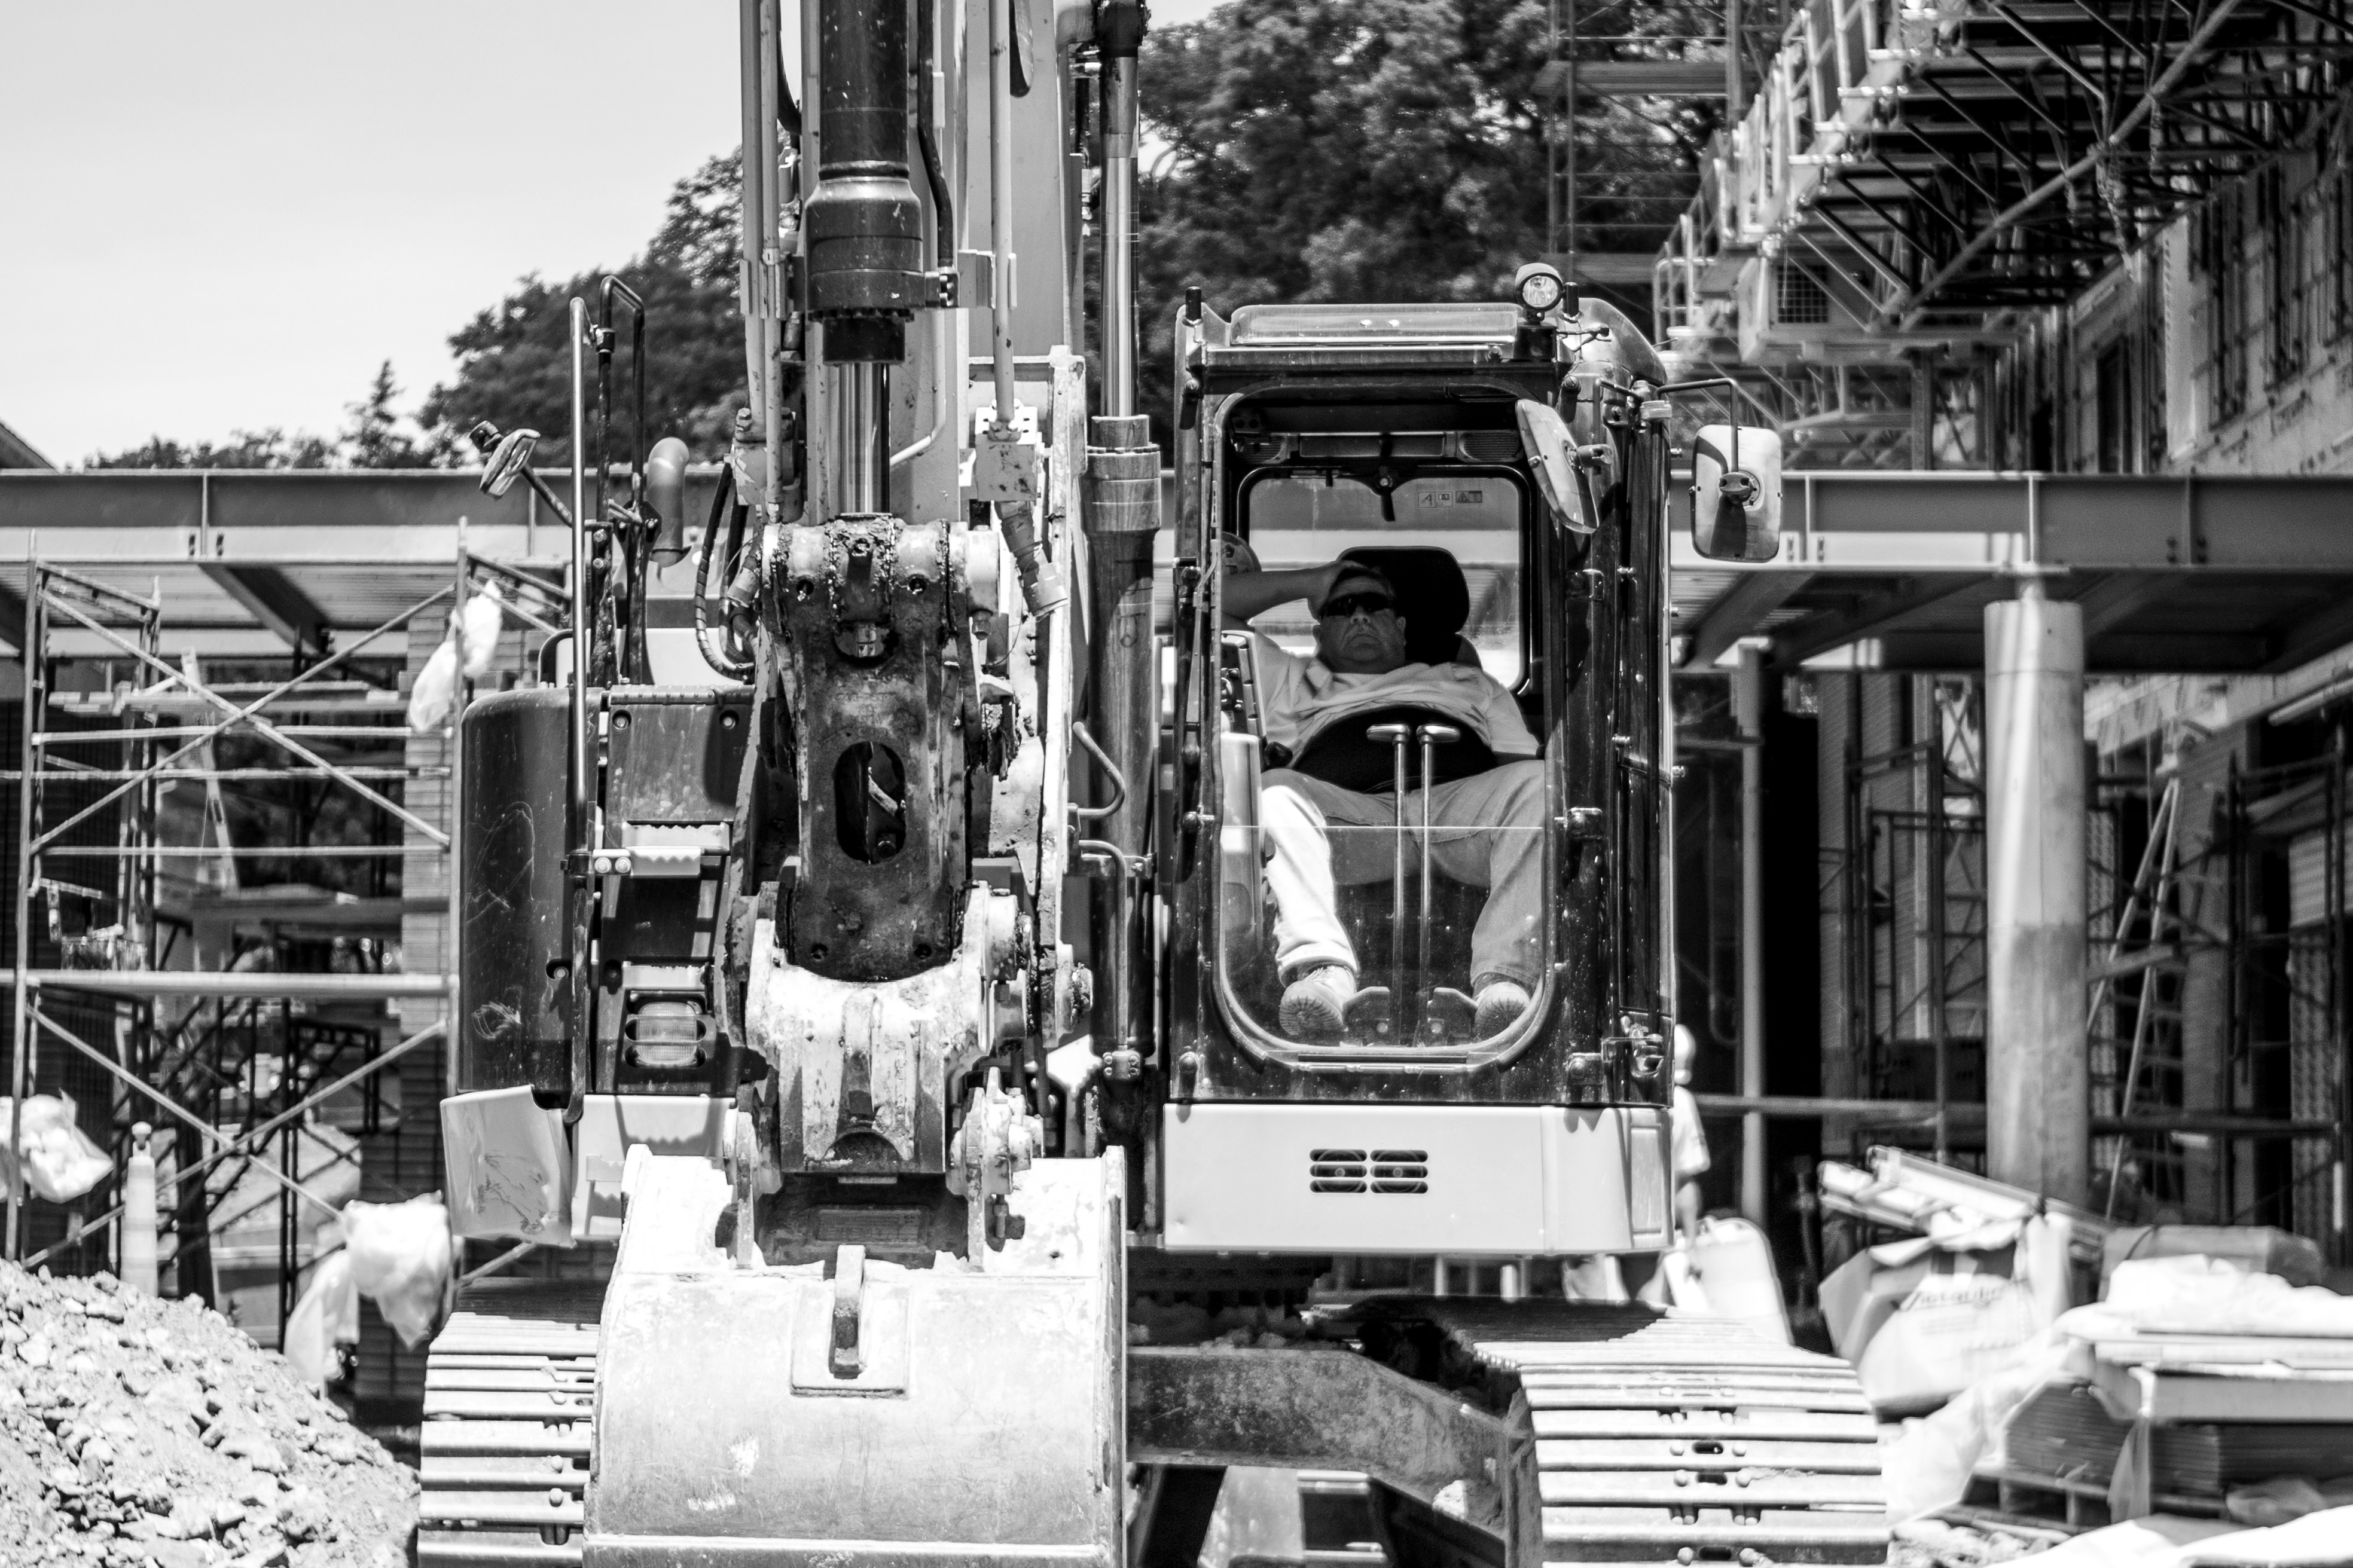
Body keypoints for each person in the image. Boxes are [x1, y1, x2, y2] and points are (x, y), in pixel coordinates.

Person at [1222, 554, 1544, 1041]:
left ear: (1399, 624)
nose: (1357, 615)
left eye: (1372, 604)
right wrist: (1312, 578)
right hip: (1353, 825)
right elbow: (1209, 615)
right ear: (1320, 633)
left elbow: (1516, 770)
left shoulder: (1474, 684)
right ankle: (1322, 973)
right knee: (1273, 793)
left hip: (1456, 818)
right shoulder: (1293, 680)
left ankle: (1504, 978)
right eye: (1341, 607)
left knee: (1541, 783)